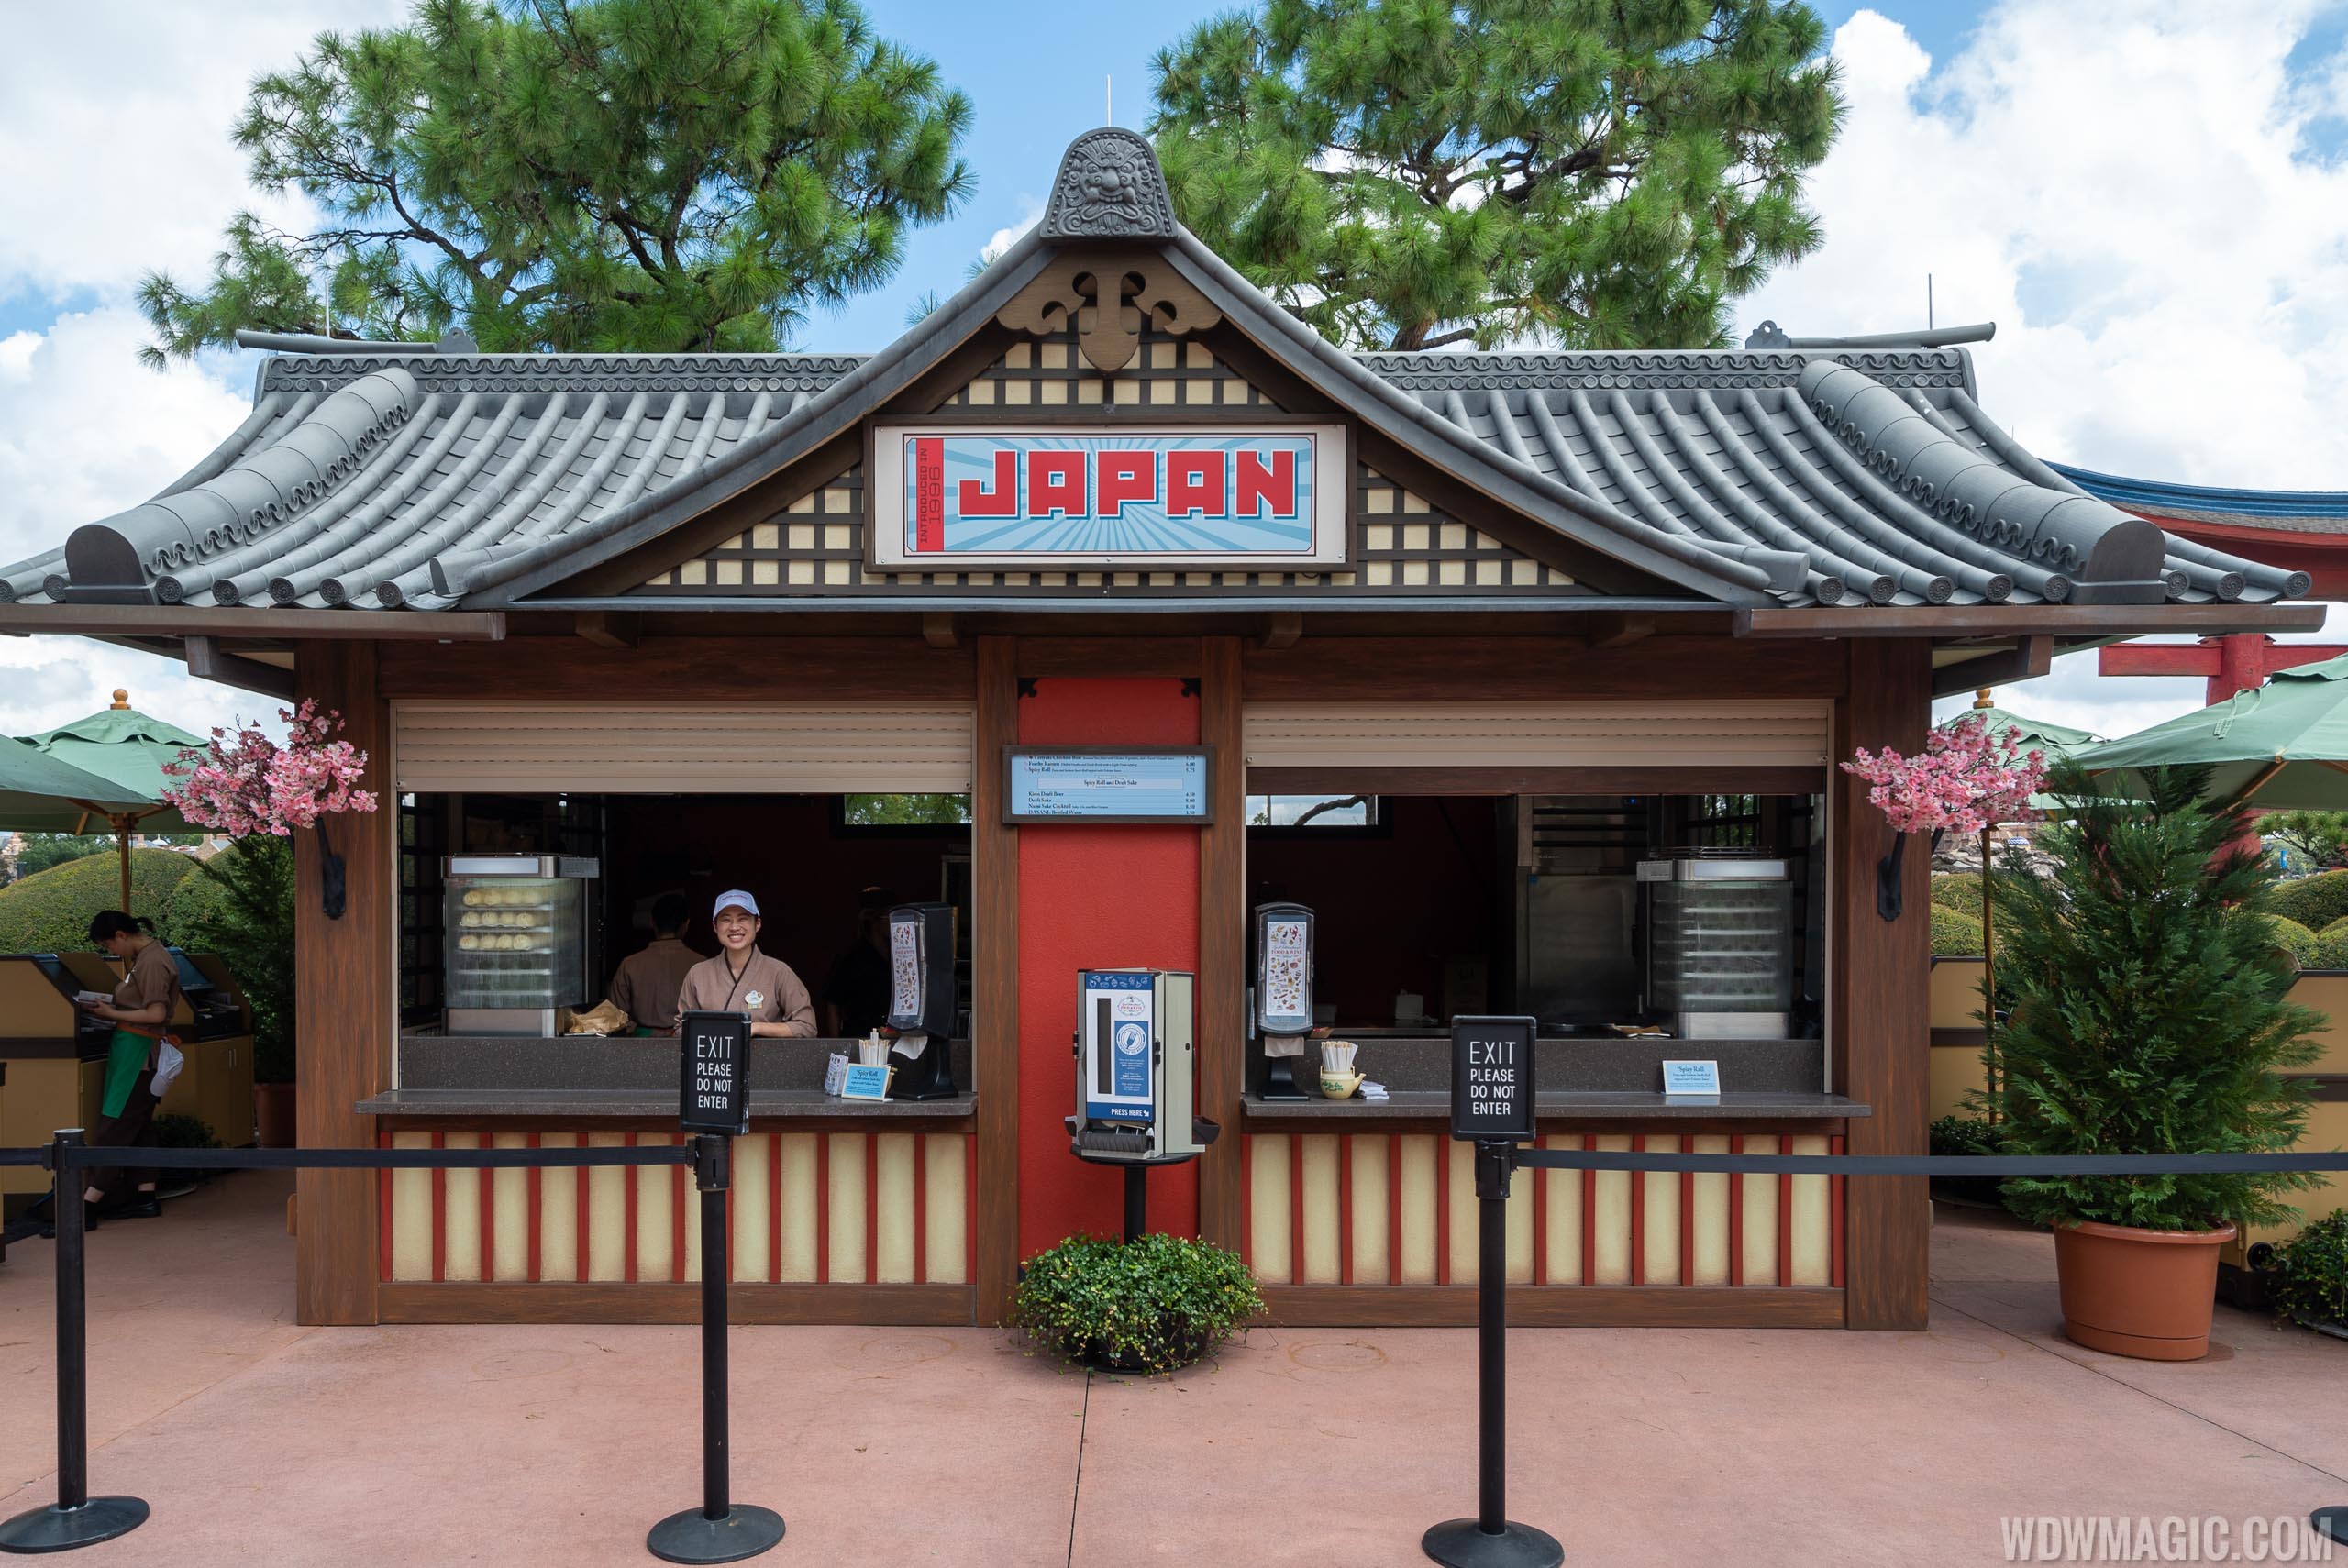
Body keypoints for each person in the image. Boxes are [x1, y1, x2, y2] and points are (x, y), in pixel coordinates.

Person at [74, 911, 182, 1220]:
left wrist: (110, 1014)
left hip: (139, 1053)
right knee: (139, 1124)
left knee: (116, 1125)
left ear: (121, 935)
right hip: (141, 1051)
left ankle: (88, 1205)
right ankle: (144, 1195)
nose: (110, 952)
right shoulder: (150, 956)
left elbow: (156, 1014)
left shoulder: (150, 962)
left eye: (108, 945)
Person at [673, 890, 816, 1037]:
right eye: (726, 919)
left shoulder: (778, 971)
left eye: (743, 919)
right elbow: (681, 1028)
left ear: (757, 924)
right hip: (713, 1059)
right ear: (715, 926)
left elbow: (806, 1026)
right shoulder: (698, 974)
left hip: (766, 1059)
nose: (734, 927)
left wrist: (755, 1027)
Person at [608, 892, 703, 1035]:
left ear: (652, 922)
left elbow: (614, 1016)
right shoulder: (702, 965)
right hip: (689, 1044)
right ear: (686, 925)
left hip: (639, 1047)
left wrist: (644, 1031)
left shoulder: (629, 965)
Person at [822, 887, 896, 1039]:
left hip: (893, 1038)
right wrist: (837, 1044)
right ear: (875, 921)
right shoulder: (851, 958)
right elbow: (833, 1003)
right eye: (888, 919)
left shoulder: (898, 956)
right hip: (859, 1037)